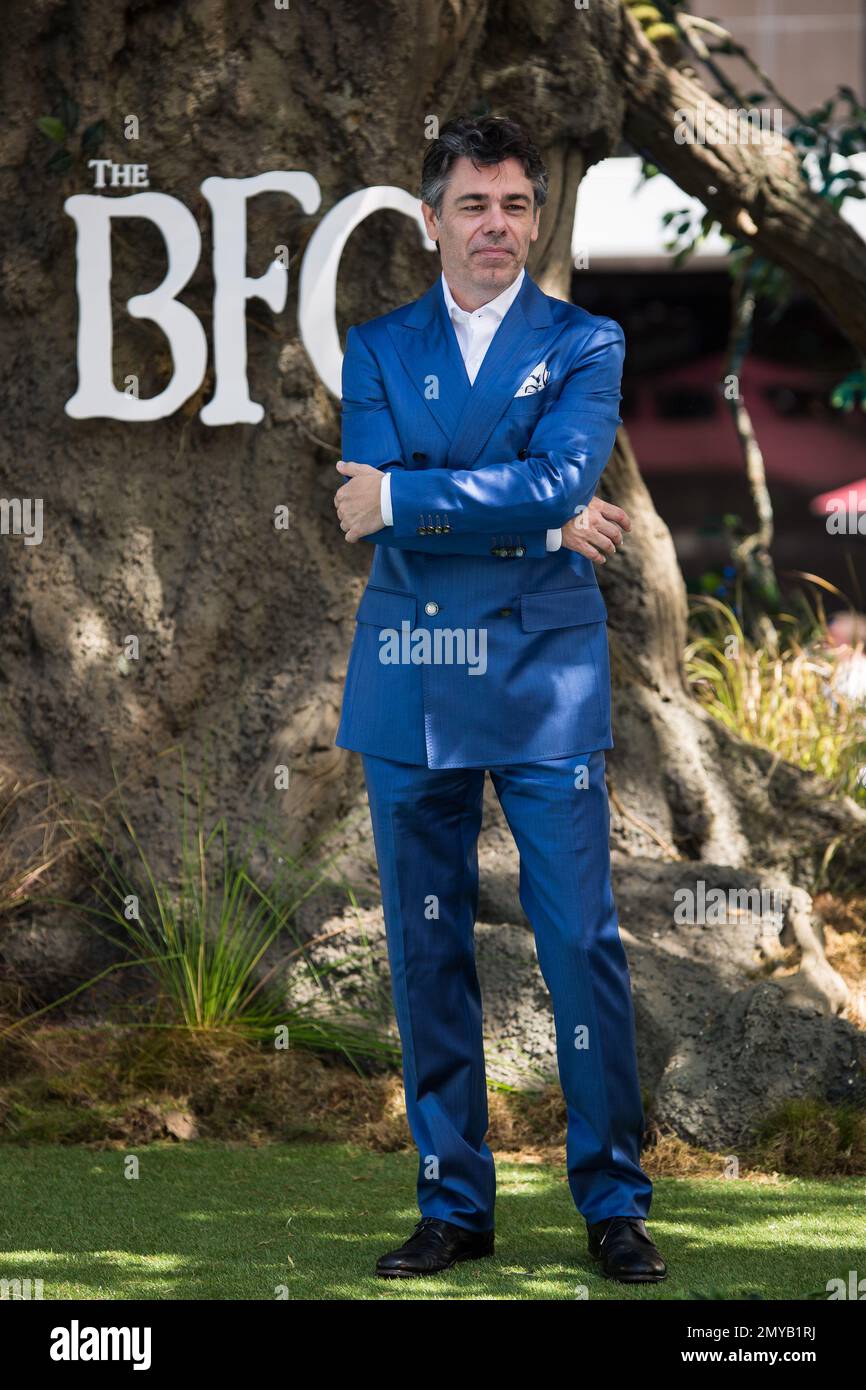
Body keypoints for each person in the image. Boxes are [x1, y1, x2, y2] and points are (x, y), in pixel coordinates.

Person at [333, 114, 666, 1284]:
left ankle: (613, 1200)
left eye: (517, 204)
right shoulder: (373, 347)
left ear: (537, 218)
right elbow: (367, 498)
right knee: (427, 951)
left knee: (578, 939)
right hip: (411, 673)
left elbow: (556, 478)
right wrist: (531, 516)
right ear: (429, 219)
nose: (495, 225)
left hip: (543, 674)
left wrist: (428, 500)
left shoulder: (585, 341)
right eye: (473, 204)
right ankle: (452, 1206)